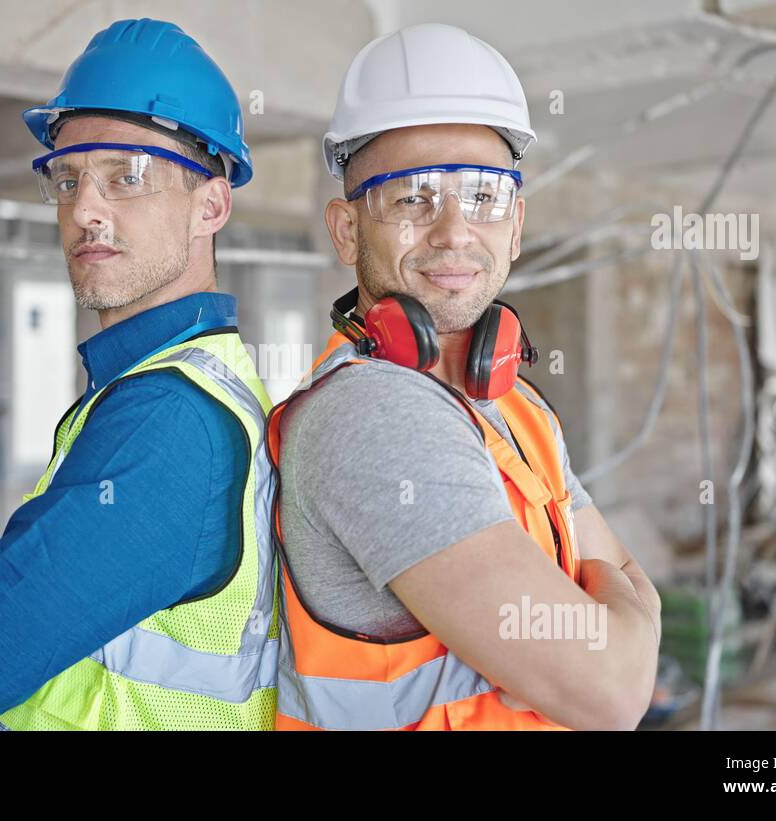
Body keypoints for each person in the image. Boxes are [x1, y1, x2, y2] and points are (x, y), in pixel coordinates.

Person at [266, 23, 662, 731]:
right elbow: (613, 691)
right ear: (348, 230)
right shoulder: (372, 420)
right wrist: (619, 619)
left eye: (483, 194)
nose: (454, 230)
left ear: (515, 225)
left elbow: (630, 601)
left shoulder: (516, 406)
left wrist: (608, 629)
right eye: (411, 197)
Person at [0, 18, 279, 730]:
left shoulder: (172, 423)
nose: (85, 210)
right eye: (68, 178)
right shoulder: (158, 385)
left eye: (126, 176)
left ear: (212, 205)